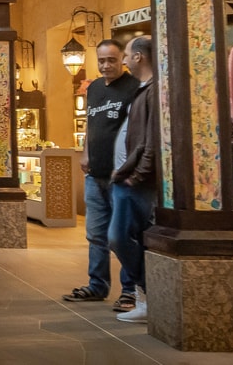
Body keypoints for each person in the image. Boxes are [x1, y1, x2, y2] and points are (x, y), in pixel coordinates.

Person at [63, 39, 140, 313]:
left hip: (121, 177)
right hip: (94, 174)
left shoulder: (134, 88)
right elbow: (91, 124)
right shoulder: (94, 88)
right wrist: (85, 152)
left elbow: (137, 131)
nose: (106, 65)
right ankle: (97, 285)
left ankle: (130, 291)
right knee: (96, 235)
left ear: (123, 60)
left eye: (112, 60)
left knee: (123, 236)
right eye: (102, 61)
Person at [110, 36, 158, 324]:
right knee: (125, 237)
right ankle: (145, 296)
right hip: (126, 177)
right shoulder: (144, 90)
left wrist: (137, 175)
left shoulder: (153, 91)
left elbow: (152, 140)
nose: (124, 60)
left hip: (135, 182)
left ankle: (149, 291)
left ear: (139, 57)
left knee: (118, 237)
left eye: (127, 55)